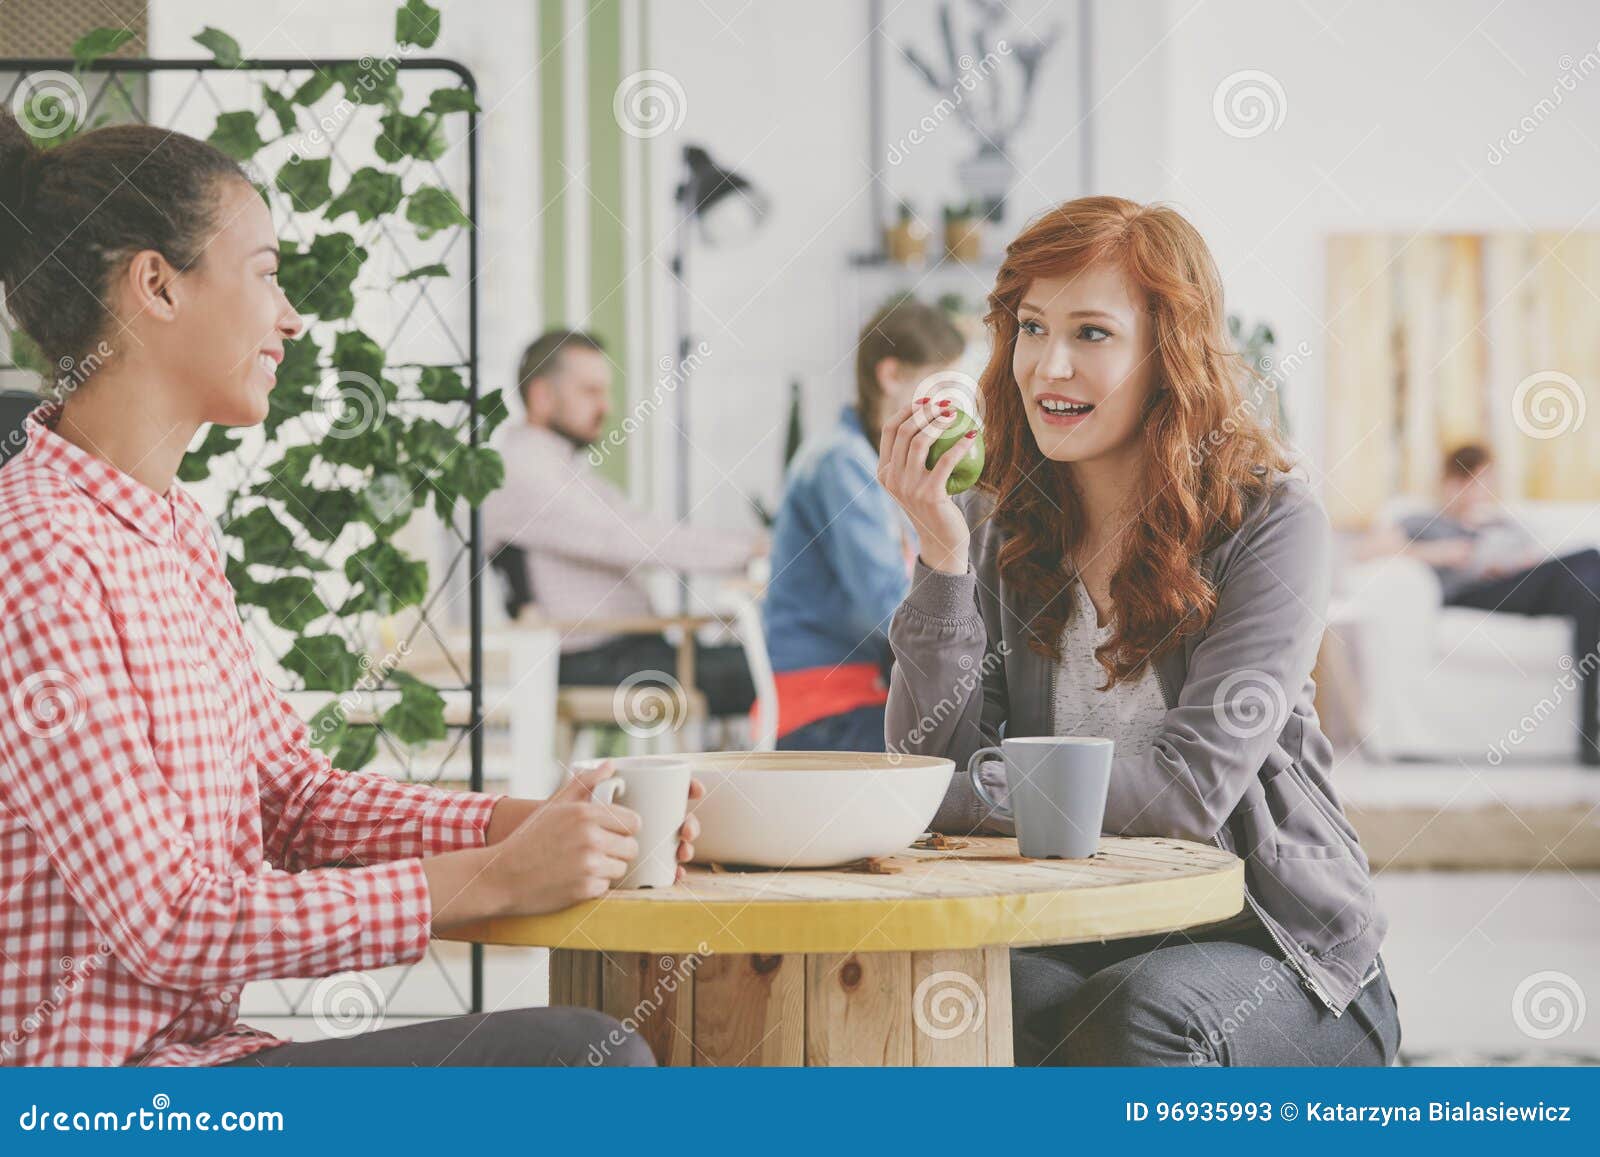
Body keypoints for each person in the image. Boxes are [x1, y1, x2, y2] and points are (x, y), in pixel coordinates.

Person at [0, 114, 701, 1067]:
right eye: (265, 272)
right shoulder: (36, 551)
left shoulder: (170, 530)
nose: (289, 315)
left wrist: (527, 824)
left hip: (217, 1060)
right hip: (98, 1101)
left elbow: (292, 799)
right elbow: (167, 919)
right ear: (156, 284)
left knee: (585, 1056)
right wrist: (493, 876)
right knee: (584, 1063)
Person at [877, 196, 1402, 1066]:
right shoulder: (996, 518)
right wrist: (940, 552)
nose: (1048, 365)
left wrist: (962, 798)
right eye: (1031, 327)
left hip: (1278, 951)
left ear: (1169, 351)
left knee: (1141, 1015)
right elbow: (928, 761)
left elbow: (1190, 791)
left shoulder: (1268, 522)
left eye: (1092, 334)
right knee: (947, 993)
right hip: (1082, 927)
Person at [481, 330, 764, 718]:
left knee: (775, 661)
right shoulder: (524, 473)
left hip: (631, 650)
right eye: (590, 392)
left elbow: (634, 527)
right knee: (776, 670)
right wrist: (754, 550)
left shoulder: (557, 466)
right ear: (543, 396)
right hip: (594, 660)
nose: (607, 406)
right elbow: (632, 538)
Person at [762, 297, 965, 751]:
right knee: (958, 757)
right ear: (891, 375)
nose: (948, 411)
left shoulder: (872, 463)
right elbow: (890, 607)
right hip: (829, 708)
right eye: (938, 388)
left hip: (862, 695)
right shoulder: (841, 462)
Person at [1360, 442, 1598, 764]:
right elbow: (1365, 551)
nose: (1486, 491)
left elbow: (1538, 559)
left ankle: (1590, 736)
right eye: (1478, 482)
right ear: (1454, 483)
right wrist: (1442, 552)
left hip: (1523, 582)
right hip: (1474, 592)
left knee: (1589, 593)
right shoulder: (1423, 521)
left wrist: (1519, 562)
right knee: (1589, 560)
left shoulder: (1502, 523)